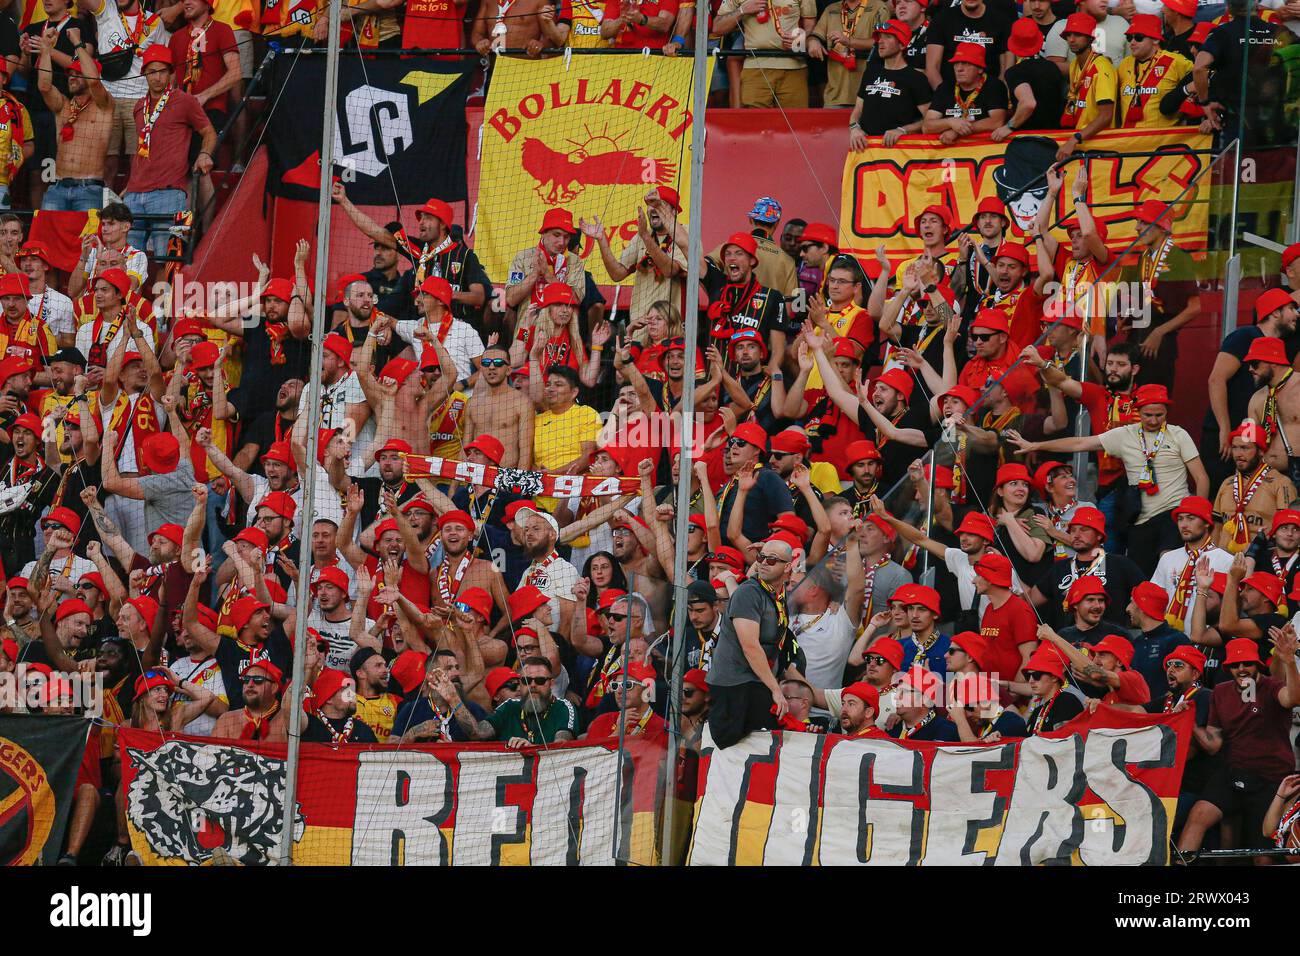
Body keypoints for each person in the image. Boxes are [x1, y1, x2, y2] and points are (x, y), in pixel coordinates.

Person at [1008, 384, 1209, 576]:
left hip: (1173, 513)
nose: (1154, 420)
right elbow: (1080, 443)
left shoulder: (1178, 434)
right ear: (1138, 411)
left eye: (1160, 415)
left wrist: (1199, 518)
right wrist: (1035, 445)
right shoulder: (1125, 435)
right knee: (1141, 577)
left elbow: (1201, 477)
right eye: (1148, 415)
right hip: (1141, 520)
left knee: (1169, 561)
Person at [1178, 631, 1300, 859]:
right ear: (1228, 668)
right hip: (1233, 772)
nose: (1242, 668)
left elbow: (1293, 698)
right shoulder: (1221, 692)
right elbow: (1213, 744)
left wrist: (1290, 661)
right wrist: (1191, 722)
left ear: (1258, 664)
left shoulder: (1273, 687)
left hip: (1270, 778)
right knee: (1198, 815)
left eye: (1247, 663)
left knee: (1262, 854)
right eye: (1235, 664)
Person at [122, 46, 215, 257]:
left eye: (162, 71)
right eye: (152, 71)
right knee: (127, 261)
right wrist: (129, 184)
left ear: (171, 74)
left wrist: (205, 154)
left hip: (171, 193)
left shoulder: (185, 101)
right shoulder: (138, 106)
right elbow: (142, 148)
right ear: (144, 74)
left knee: (171, 260)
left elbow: (209, 132)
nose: (157, 77)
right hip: (135, 194)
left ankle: (168, 293)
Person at [1204, 288, 1297, 488]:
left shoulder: (1279, 347)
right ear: (1275, 312)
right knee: (1224, 497)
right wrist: (1225, 428)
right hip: (1227, 436)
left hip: (1252, 441)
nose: (1297, 314)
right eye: (1291, 308)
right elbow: (1216, 380)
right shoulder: (1245, 335)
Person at [707, 537, 796, 748]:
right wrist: (775, 689)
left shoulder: (774, 593)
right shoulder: (750, 592)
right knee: (735, 751)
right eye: (761, 558)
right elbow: (750, 647)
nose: (764, 562)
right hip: (735, 685)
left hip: (753, 682)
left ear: (788, 567)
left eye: (772, 560)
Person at [35, 26, 113, 213]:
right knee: (49, 240)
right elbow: (44, 87)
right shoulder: (63, 105)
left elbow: (94, 81)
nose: (72, 77)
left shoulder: (104, 105)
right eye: (71, 73)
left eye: (78, 73)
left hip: (89, 188)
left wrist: (78, 43)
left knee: (85, 242)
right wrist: (46, 49)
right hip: (58, 187)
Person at [1029, 506, 1145, 628]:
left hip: (1110, 643)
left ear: (1099, 535)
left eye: (1083, 530)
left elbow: (1147, 598)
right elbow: (1029, 600)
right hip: (1067, 642)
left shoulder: (1120, 564)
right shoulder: (1059, 568)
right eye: (1073, 530)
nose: (1076, 535)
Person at [1151, 495, 1235, 632]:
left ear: (1207, 522)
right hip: (1170, 638)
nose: (1184, 524)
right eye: (1180, 519)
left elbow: (1231, 607)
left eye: (1191, 518)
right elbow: (1155, 599)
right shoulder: (1168, 558)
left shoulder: (1226, 560)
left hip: (1206, 639)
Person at [711, 0, 817, 109]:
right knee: (755, 123)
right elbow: (717, 27)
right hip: (754, 68)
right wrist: (742, 10)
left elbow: (811, 25)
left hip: (794, 67)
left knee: (795, 122)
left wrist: (802, 37)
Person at [1213, 421, 1296, 554]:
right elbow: (1216, 527)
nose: (1238, 454)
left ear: (1261, 451)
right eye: (1235, 447)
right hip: (1224, 560)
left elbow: (1289, 530)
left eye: (1245, 448)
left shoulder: (1281, 483)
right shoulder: (1226, 484)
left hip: (1261, 561)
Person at [807, 0, 889, 109]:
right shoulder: (831, 9)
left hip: (868, 93)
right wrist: (813, 41)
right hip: (835, 95)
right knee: (830, 126)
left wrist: (849, 41)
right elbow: (815, 35)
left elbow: (883, 42)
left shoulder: (878, 7)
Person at [922, 43, 1009, 145]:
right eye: (956, 63)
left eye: (965, 63)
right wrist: (950, 122)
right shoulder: (945, 87)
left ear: (980, 69)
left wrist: (957, 131)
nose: (959, 69)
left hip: (983, 150)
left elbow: (996, 122)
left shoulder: (994, 86)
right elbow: (926, 127)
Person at [996, 16, 1065, 138]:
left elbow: (1028, 103)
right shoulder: (1054, 67)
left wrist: (1009, 126)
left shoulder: (1014, 72)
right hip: (1055, 138)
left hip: (1027, 140)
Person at [584, 661, 667, 740]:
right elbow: (588, 754)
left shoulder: (663, 728)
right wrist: (617, 733)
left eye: (627, 685)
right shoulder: (601, 722)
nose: (619, 691)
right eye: (615, 685)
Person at [210, 660, 288, 741]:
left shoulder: (287, 719)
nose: (250, 685)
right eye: (246, 679)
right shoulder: (226, 720)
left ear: (274, 688)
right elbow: (212, 752)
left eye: (258, 679)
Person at [302, 669, 379, 744]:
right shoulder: (310, 725)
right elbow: (291, 710)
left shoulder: (363, 730)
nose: (354, 695)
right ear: (329, 699)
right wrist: (308, 669)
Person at [1023, 644, 1085, 734]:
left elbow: (1064, 741)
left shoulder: (1067, 700)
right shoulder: (1038, 710)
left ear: (1054, 677)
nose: (1030, 681)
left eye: (1037, 675)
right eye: (1028, 676)